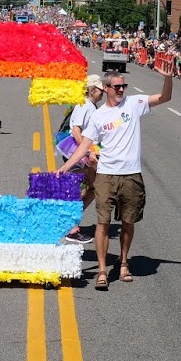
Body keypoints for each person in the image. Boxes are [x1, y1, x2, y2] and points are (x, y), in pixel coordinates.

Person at [56, 64, 177, 289]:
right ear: (106, 88)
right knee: (103, 222)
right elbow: (84, 146)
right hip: (106, 175)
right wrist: (65, 167)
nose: (121, 90)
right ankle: (102, 270)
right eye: (117, 86)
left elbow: (164, 97)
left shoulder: (134, 104)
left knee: (128, 222)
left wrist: (168, 78)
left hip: (131, 175)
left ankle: (123, 263)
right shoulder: (99, 116)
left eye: (123, 86)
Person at [61, 74, 105, 244]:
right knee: (86, 188)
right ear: (92, 89)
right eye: (101, 90)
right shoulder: (85, 106)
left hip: (84, 154)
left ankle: (71, 223)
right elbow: (76, 131)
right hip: (79, 154)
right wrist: (87, 152)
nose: (102, 93)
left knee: (92, 188)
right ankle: (71, 227)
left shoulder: (90, 106)